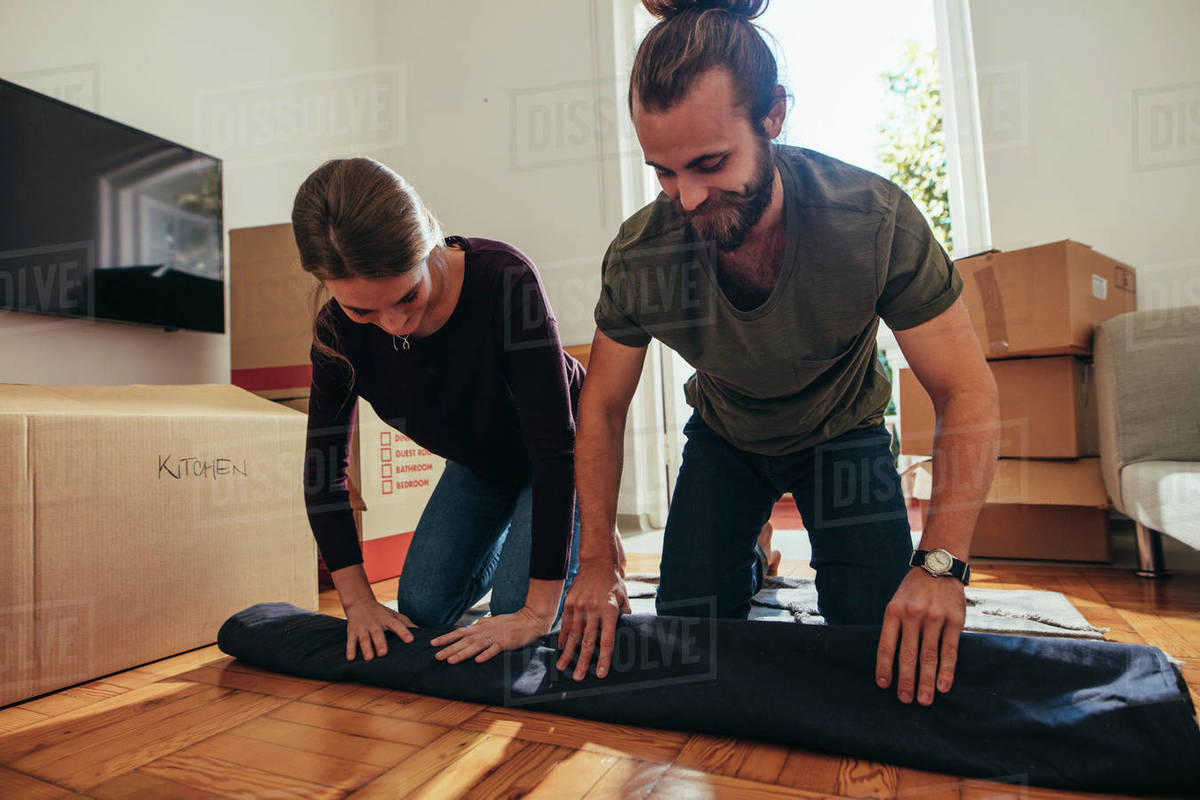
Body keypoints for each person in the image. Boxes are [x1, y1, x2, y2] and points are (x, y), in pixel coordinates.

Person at [557, 0, 1000, 708]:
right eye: (664, 173)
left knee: (877, 641)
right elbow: (602, 407)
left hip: (842, 433)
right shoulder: (643, 254)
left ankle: (769, 542)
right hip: (727, 437)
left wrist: (942, 566)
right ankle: (751, 545)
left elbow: (966, 391)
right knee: (687, 635)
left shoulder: (872, 219)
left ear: (773, 116)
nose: (689, 198)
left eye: (709, 163)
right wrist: (599, 560)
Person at [295, 157, 584, 665]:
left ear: (430, 240)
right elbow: (324, 475)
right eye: (363, 310)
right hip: (481, 464)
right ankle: (542, 538)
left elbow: (556, 450)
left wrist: (537, 613)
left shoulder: (504, 279)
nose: (393, 323)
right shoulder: (336, 336)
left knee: (519, 608)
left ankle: (595, 547)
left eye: (408, 295)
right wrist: (358, 602)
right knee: (421, 606)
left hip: (567, 452)